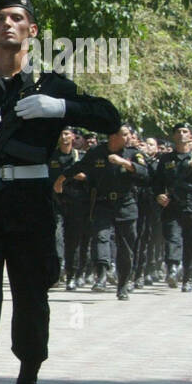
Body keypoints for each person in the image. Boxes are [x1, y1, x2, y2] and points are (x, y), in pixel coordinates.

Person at [0, 0, 118, 384]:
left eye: (18, 18)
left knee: (31, 295)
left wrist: (61, 108)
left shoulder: (50, 86)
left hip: (31, 206)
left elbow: (109, 118)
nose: (8, 24)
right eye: (0, 18)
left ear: (33, 31)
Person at [62, 124, 149, 297]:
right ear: (113, 136)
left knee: (126, 248)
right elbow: (80, 166)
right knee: (100, 237)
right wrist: (62, 179)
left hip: (126, 205)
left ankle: (123, 285)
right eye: (124, 135)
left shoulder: (133, 153)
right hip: (103, 203)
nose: (128, 138)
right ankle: (101, 275)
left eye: (128, 135)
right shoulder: (97, 152)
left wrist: (125, 163)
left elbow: (145, 173)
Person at [152, 124, 192, 291]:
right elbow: (156, 182)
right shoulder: (166, 159)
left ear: (191, 137)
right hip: (172, 204)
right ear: (173, 136)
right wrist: (158, 194)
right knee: (172, 236)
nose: (181, 135)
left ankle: (188, 278)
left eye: (185, 132)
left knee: (191, 242)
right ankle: (173, 267)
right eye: (178, 132)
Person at [50, 127, 88, 290]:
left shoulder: (81, 157)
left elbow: (91, 177)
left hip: (76, 204)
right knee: (56, 237)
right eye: (61, 133)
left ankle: (73, 275)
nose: (63, 137)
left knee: (74, 240)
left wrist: (81, 177)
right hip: (56, 202)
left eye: (66, 134)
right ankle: (57, 272)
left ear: (73, 137)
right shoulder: (51, 156)